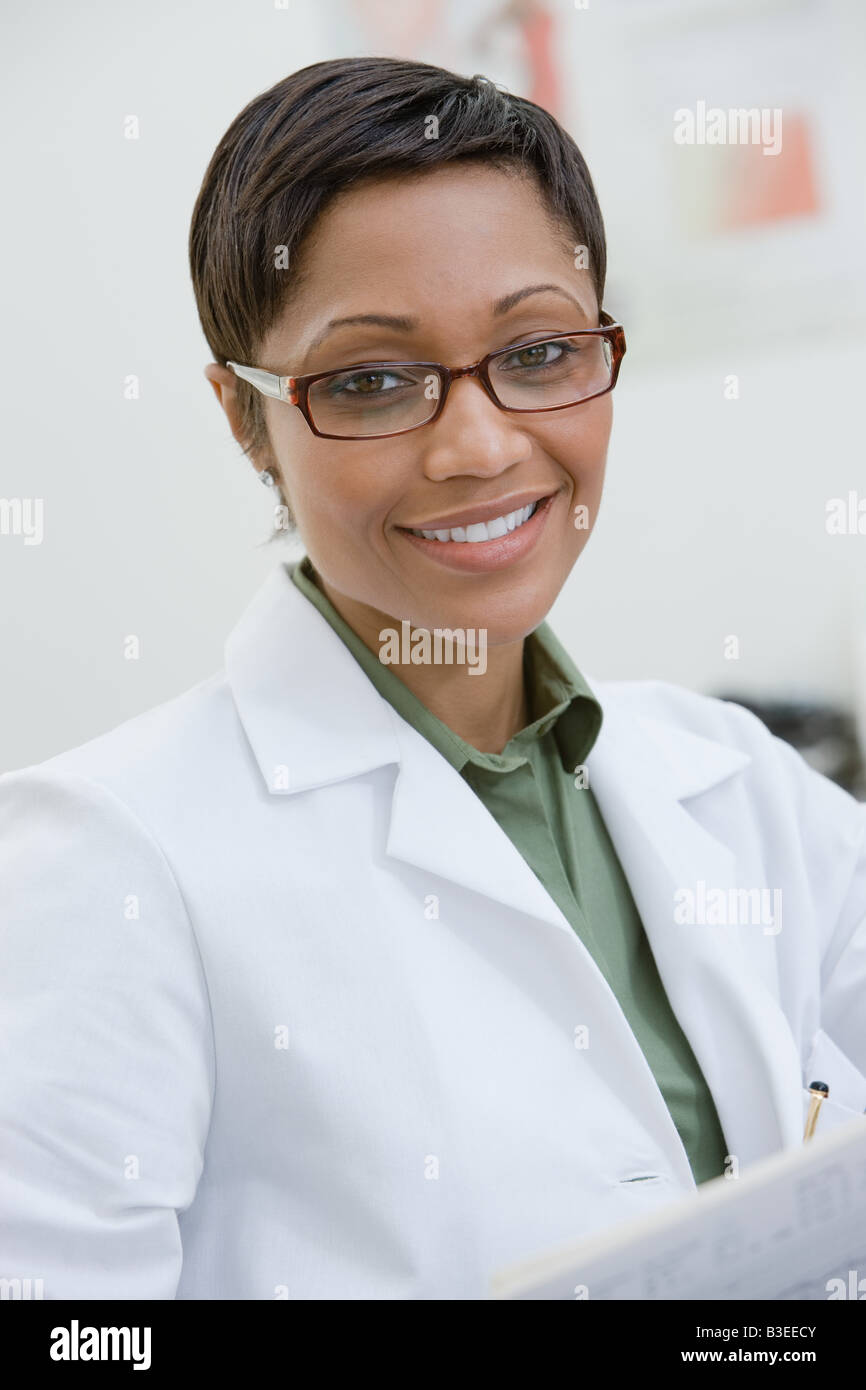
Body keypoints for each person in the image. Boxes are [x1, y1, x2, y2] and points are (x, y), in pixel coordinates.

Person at [1, 56, 864, 1302]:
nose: (476, 445)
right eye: (367, 381)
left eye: (539, 350)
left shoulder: (733, 780)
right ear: (246, 421)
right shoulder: (107, 857)